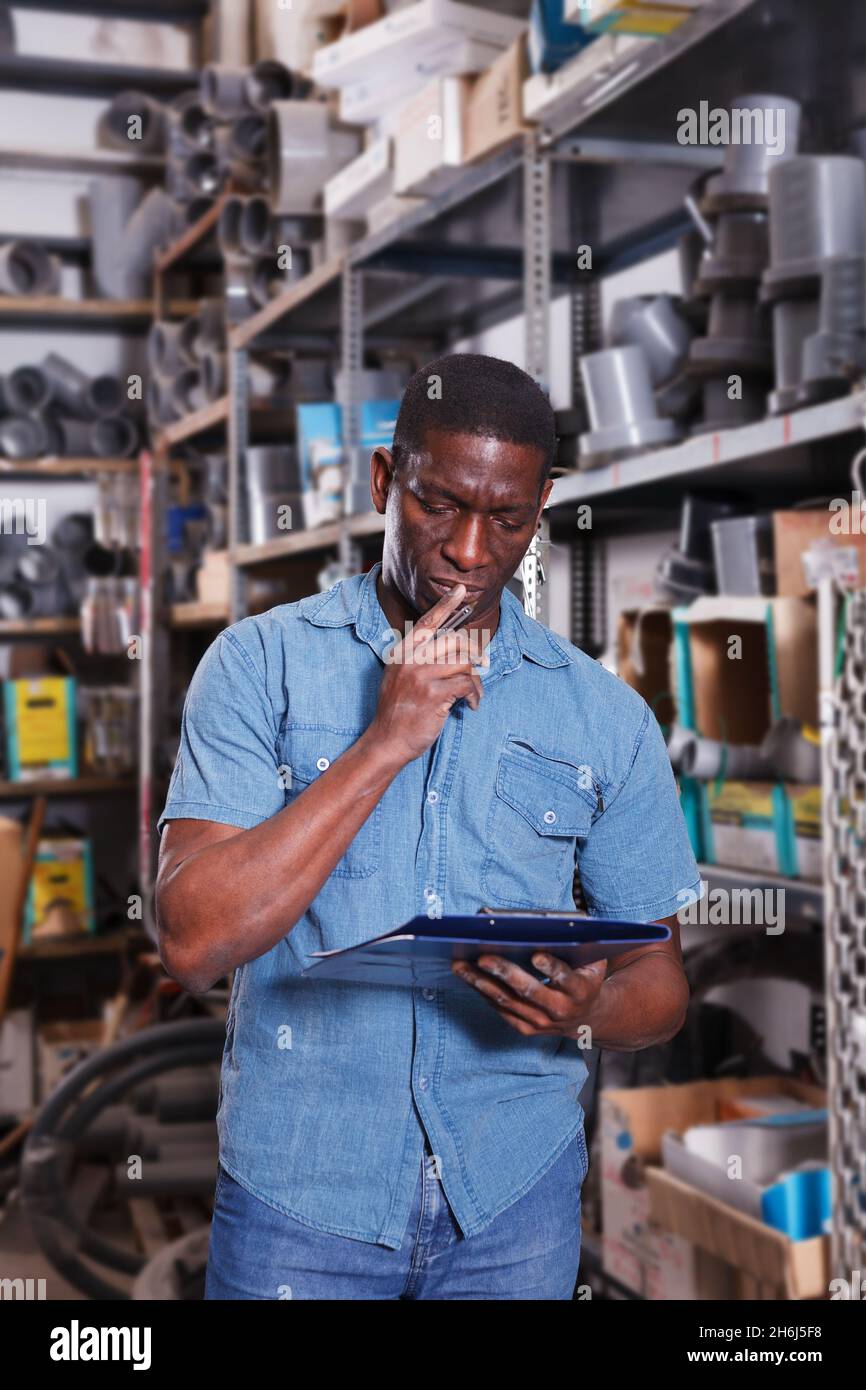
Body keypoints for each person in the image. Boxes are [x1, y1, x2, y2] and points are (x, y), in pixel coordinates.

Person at [156, 352, 701, 1300]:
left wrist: (590, 1009)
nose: (469, 551)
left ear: (541, 509)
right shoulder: (258, 666)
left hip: (511, 1203)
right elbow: (193, 940)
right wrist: (384, 742)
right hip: (303, 1198)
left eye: (508, 519)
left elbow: (660, 980)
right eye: (438, 504)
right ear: (383, 480)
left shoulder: (605, 718)